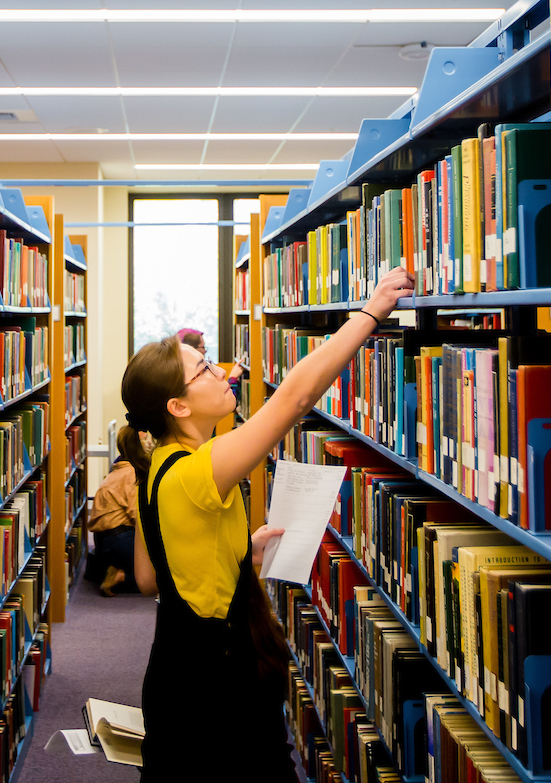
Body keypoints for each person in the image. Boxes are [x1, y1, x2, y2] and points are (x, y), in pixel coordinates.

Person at [120, 267, 414, 782]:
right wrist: (369, 313)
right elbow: (294, 400)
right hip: (212, 683)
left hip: (177, 667)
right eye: (205, 370)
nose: (224, 373)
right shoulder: (195, 471)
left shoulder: (159, 463)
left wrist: (236, 553)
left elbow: (151, 578)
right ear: (178, 405)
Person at [87, 453, 138, 596]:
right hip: (121, 539)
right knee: (160, 577)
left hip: (103, 540)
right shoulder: (132, 474)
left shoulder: (113, 474)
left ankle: (116, 569)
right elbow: (136, 513)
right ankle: (121, 576)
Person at [176, 327, 242, 380]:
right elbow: (218, 396)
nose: (205, 351)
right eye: (203, 347)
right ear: (192, 349)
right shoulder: (197, 377)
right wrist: (232, 379)